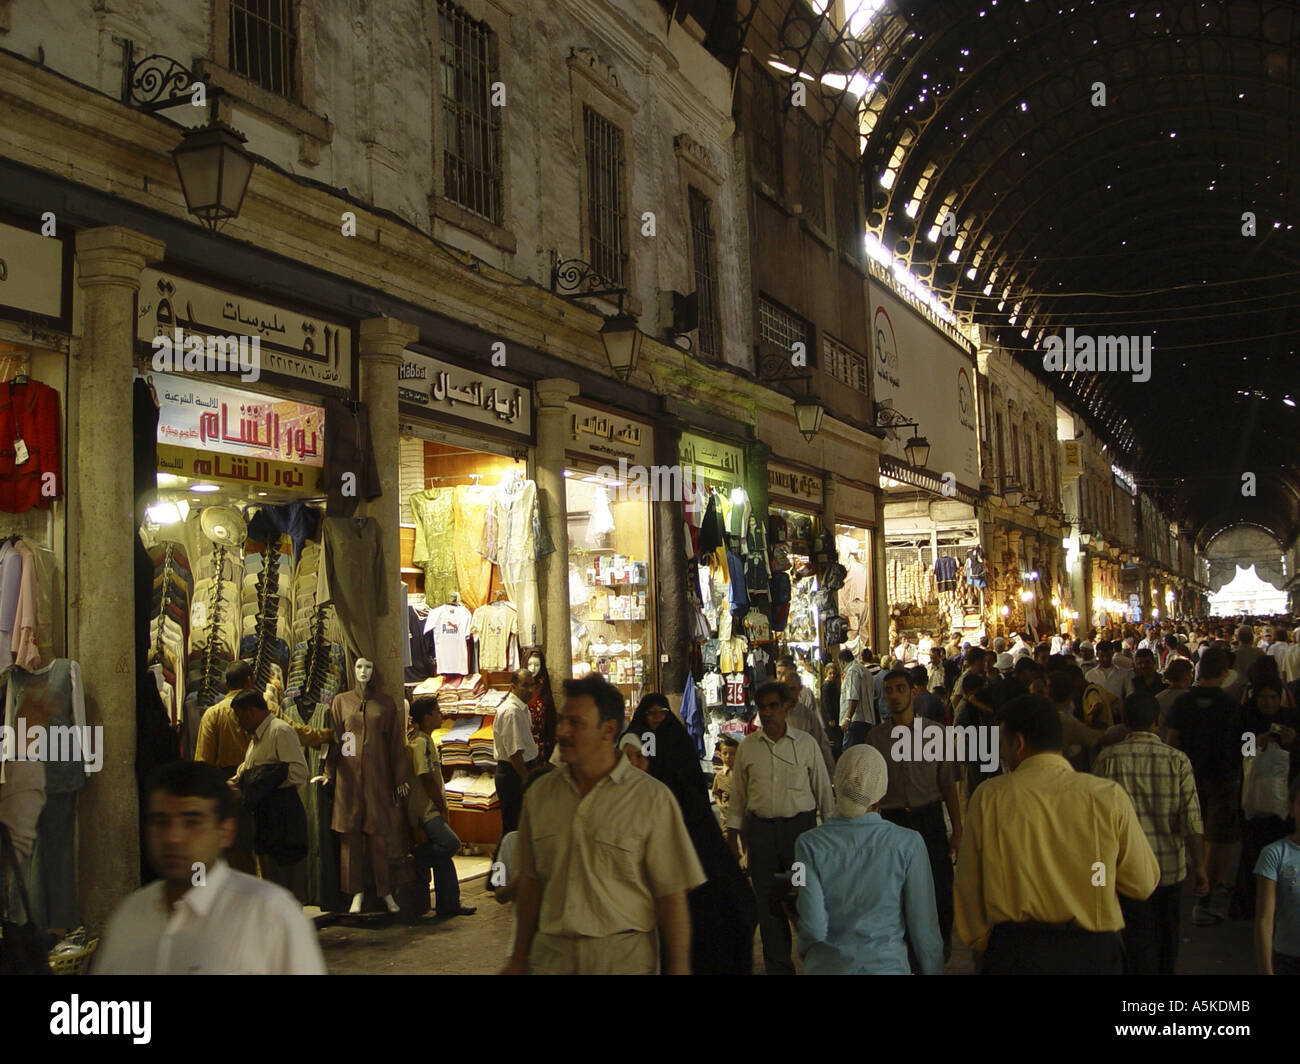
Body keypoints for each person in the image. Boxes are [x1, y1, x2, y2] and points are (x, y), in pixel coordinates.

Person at [502, 675, 705, 975]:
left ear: (608, 730)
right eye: (562, 722)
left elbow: (671, 898)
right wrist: (518, 959)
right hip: (552, 958)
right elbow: (531, 884)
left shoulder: (652, 800)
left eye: (576, 723)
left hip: (621, 959)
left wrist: (678, 969)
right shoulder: (539, 797)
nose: (563, 732)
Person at [954, 695, 1160, 974]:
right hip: (1092, 953)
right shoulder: (1106, 796)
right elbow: (1142, 882)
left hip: (1016, 951)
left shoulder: (990, 797)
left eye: (1003, 743)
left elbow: (969, 883)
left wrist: (982, 943)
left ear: (1019, 743)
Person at [94, 761, 326, 974]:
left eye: (192, 822)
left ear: (225, 831)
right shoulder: (129, 918)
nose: (173, 837)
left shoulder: (271, 917)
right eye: (161, 822)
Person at [628, 693, 758, 974]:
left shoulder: (677, 743)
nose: (656, 720)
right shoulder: (634, 745)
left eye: (661, 713)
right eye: (650, 714)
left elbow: (692, 792)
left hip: (693, 834)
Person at [795, 744, 943, 975]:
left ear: (838, 784)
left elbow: (812, 926)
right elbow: (925, 930)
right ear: (881, 791)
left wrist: (807, 953)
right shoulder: (909, 844)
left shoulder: (805, 846)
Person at [1093, 693, 1207, 974]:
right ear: (1157, 721)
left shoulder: (1107, 759)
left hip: (1126, 869)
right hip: (1169, 868)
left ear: (1125, 723)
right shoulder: (1178, 760)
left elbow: (1098, 820)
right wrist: (1201, 867)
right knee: (1168, 935)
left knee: (1136, 938)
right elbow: (1191, 820)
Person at [727, 680, 834, 975]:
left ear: (786, 707)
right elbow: (738, 796)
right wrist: (733, 836)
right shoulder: (748, 748)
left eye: (774, 706)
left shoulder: (806, 744)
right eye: (763, 708)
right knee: (769, 907)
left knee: (803, 901)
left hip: (798, 839)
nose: (768, 713)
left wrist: (832, 833)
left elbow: (823, 791)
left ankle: (819, 964)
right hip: (762, 841)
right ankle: (779, 968)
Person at [868, 669, 962, 958]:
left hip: (929, 819)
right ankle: (906, 952)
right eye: (889, 690)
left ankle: (940, 948)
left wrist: (958, 829)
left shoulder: (937, 733)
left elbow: (949, 783)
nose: (894, 695)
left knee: (940, 887)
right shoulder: (876, 738)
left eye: (899, 688)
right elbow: (872, 791)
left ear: (912, 692)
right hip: (893, 821)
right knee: (897, 890)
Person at [1166, 647, 1243, 926]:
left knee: (1191, 831)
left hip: (1189, 776)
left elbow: (1172, 739)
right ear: (1223, 674)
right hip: (1223, 778)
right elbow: (1245, 744)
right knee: (1219, 838)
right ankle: (1206, 897)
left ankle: (1191, 883)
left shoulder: (1183, 703)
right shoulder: (1232, 705)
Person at [229, 689, 308, 897]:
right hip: (266, 822)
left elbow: (299, 772)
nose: (238, 722)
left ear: (250, 712)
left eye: (239, 716)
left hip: (282, 822)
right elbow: (249, 767)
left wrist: (266, 782)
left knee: (283, 888)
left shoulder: (279, 731)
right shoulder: (256, 738)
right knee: (271, 883)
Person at [408, 698, 475, 917]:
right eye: (437, 712)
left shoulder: (425, 739)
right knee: (451, 843)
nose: (441, 715)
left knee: (444, 856)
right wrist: (439, 803)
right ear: (426, 717)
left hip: (431, 806)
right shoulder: (420, 742)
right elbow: (425, 776)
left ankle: (449, 904)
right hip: (426, 809)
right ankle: (420, 856)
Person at [1254, 777, 1300, 974]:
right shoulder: (1275, 853)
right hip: (1288, 960)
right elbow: (1264, 920)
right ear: (1291, 807)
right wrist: (1266, 971)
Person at [494, 668, 539, 838]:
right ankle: (502, 864)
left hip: (518, 772)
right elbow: (515, 753)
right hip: (513, 774)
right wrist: (526, 778)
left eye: (532, 685)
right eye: (525, 685)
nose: (530, 690)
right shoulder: (511, 711)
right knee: (512, 831)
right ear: (513, 686)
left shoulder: (521, 709)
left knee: (519, 828)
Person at [776, 657, 835, 778]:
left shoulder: (807, 715)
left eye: (792, 689)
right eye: (785, 688)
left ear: (799, 690)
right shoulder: (772, 712)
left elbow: (822, 745)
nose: (788, 693)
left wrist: (829, 776)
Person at [1085, 640, 1133, 711]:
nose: (1105, 659)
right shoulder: (1089, 675)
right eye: (1102, 656)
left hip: (1118, 714)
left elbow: (1130, 694)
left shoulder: (1123, 673)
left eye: (1108, 656)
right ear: (1097, 654)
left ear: (1112, 654)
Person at [838, 647, 871, 749]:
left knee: (849, 754)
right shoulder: (865, 670)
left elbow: (853, 696)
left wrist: (848, 718)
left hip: (855, 721)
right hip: (866, 720)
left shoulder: (852, 672)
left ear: (842, 662)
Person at [712, 735, 738, 827]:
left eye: (732, 754)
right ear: (720, 754)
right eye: (725, 753)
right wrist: (720, 806)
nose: (728, 757)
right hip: (726, 816)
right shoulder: (719, 776)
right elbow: (715, 793)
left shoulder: (742, 774)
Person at [820, 661, 843, 755]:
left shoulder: (832, 684)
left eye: (834, 673)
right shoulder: (826, 685)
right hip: (830, 717)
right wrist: (830, 718)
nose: (832, 675)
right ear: (826, 673)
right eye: (830, 673)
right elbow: (826, 703)